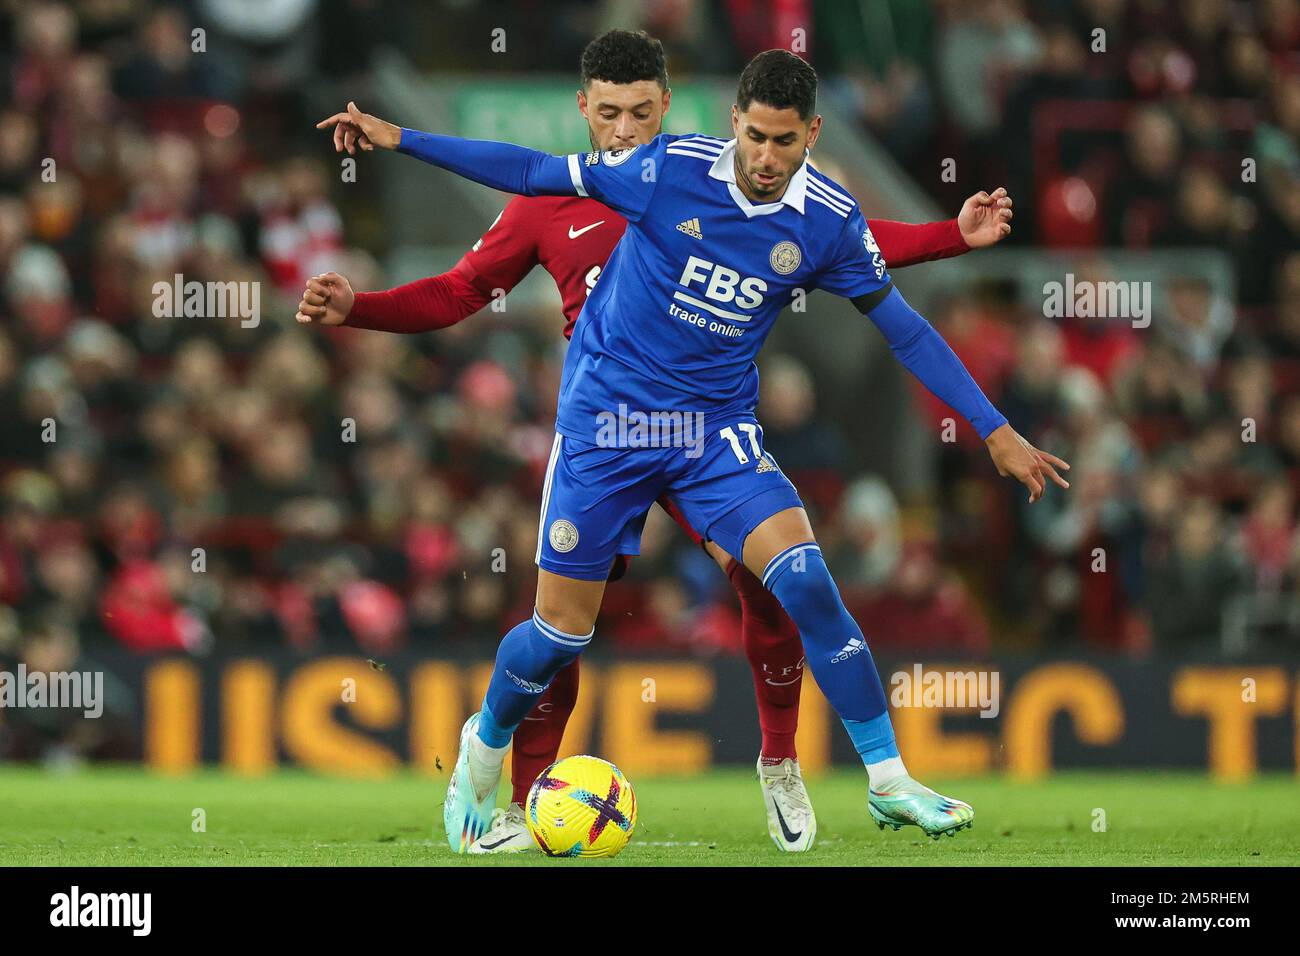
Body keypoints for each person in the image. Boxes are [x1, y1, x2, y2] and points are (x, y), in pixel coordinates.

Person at [317, 47, 1067, 855]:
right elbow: (529, 169)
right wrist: (399, 139)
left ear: (813, 134)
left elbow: (907, 329)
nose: (768, 159)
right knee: (560, 636)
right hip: (608, 426)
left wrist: (994, 428)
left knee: (802, 579)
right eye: (756, 138)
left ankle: (884, 780)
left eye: (787, 142)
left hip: (712, 434)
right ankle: (484, 746)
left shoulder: (827, 217)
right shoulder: (661, 172)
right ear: (732, 124)